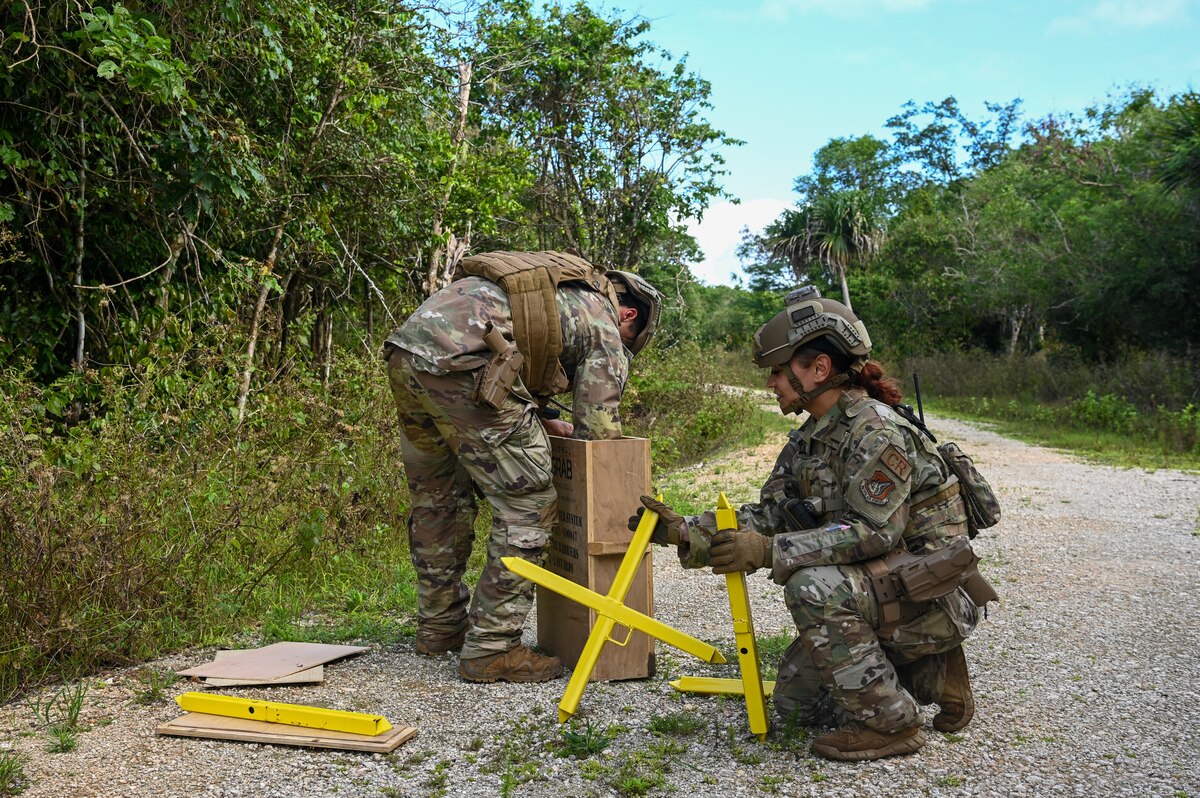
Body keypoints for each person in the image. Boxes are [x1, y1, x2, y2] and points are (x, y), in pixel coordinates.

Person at [635, 286, 996, 761]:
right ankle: (929, 672)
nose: (771, 383)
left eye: (779, 371)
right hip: (891, 588)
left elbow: (874, 532)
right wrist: (685, 531)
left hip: (932, 595)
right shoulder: (812, 437)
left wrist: (766, 551)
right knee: (796, 705)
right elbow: (771, 512)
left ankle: (894, 726)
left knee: (813, 587)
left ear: (819, 369)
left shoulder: (876, 431)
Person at [385, 250, 662, 684]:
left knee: (439, 499)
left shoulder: (562, 291)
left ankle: (441, 626)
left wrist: (540, 417)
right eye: (631, 340)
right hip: (464, 362)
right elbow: (599, 430)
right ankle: (492, 648)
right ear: (628, 314)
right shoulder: (606, 324)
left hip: (408, 350)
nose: (624, 346)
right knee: (529, 502)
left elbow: (523, 352)